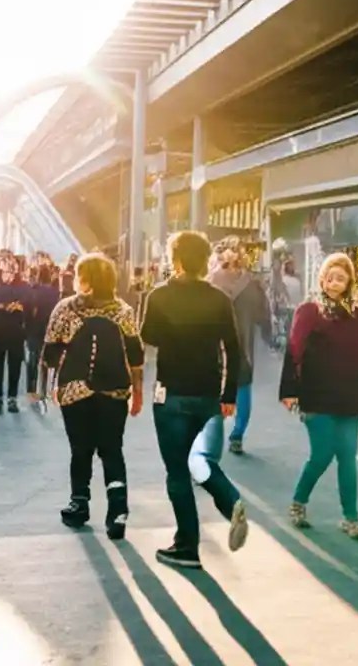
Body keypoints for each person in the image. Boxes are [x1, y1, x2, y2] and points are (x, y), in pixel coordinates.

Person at [140, 231, 250, 570]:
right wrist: (229, 395)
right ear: (206, 261)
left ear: (175, 259)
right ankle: (230, 500)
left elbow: (148, 337)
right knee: (200, 460)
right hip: (207, 395)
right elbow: (233, 349)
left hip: (171, 392)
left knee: (177, 471)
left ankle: (187, 545)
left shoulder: (159, 296)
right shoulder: (219, 299)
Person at [43, 254, 145, 540]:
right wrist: (137, 392)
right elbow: (136, 355)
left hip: (75, 390)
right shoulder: (123, 311)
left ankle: (79, 503)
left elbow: (50, 354)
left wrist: (53, 376)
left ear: (84, 280)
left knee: (81, 448)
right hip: (115, 389)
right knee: (112, 449)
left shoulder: (66, 309)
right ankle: (118, 510)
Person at [279, 253, 358, 541]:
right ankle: (298, 503)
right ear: (322, 278)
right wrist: (289, 391)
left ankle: (351, 517)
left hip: (350, 397)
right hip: (316, 395)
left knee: (347, 457)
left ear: (349, 283)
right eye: (330, 277)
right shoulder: (309, 310)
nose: (334, 283)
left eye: (340, 278)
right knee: (321, 454)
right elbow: (294, 350)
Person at [196, 237, 270, 456]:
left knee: (212, 391)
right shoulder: (252, 285)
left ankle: (210, 438)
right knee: (243, 388)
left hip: (210, 348)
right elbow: (262, 315)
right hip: (242, 346)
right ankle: (236, 435)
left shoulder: (207, 283)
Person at [0, 258, 27, 414]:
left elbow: (29, 306)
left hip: (16, 335)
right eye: (5, 271)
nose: (8, 274)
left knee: (15, 368)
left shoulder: (23, 288)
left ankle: (12, 398)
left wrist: (18, 306)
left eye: (11, 271)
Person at [27, 264, 61, 405]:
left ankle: (31, 388)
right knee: (45, 360)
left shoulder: (35, 291)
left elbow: (32, 309)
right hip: (49, 329)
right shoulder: (55, 292)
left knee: (33, 357)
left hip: (35, 328)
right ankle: (43, 389)